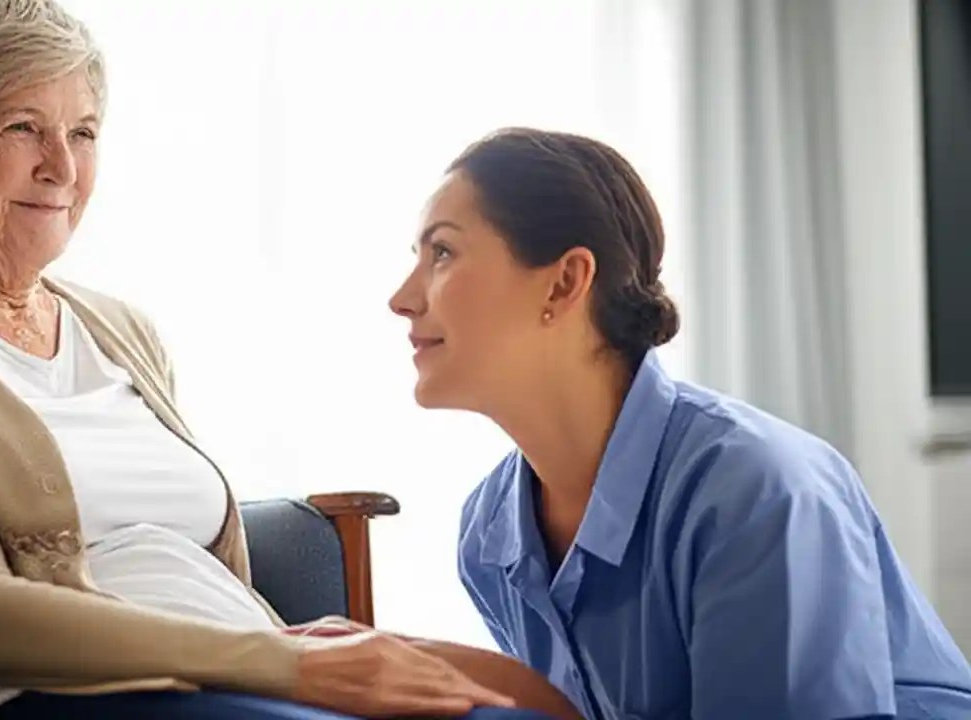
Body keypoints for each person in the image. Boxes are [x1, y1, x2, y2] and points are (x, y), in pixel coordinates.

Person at [0, 2, 580, 719]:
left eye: (83, 131)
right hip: (44, 697)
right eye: (23, 126)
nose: (61, 166)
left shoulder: (120, 327)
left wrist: (294, 647)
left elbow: (192, 559)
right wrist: (289, 665)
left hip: (235, 670)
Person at [388, 127, 971, 719]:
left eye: (442, 253)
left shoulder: (757, 489)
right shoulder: (489, 536)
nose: (402, 298)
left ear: (565, 283)